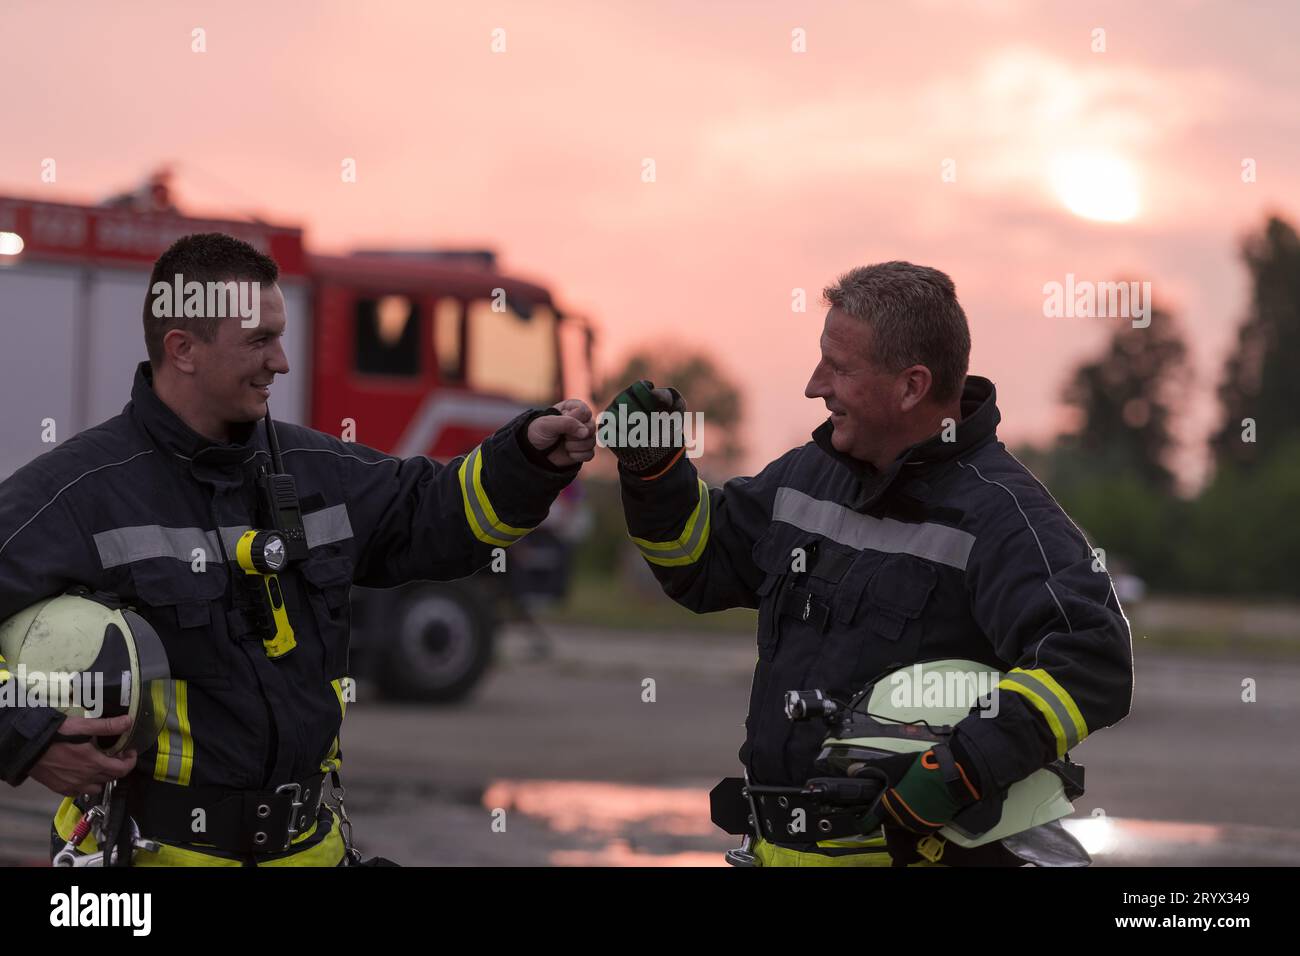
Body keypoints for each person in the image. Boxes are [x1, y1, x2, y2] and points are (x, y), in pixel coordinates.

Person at [0, 232, 595, 865]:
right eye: (259, 341)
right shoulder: (76, 495)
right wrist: (27, 737)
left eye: (280, 337)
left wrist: (527, 459)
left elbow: (436, 513)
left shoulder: (317, 471)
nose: (282, 362)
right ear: (184, 350)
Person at [609, 261, 1133, 866]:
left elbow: (1091, 658)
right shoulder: (808, 477)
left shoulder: (1003, 518)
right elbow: (700, 561)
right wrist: (654, 471)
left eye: (839, 367)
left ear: (911, 386)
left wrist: (957, 771)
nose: (814, 385)